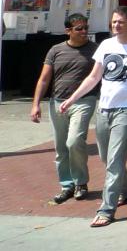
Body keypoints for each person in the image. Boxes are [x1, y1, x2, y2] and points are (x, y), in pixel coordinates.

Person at [59, 6, 127, 227]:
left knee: (115, 159)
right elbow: (93, 77)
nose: (115, 26)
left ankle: (106, 209)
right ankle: (126, 190)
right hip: (104, 109)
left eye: (119, 22)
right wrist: (72, 99)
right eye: (113, 22)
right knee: (105, 157)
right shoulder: (106, 45)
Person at [29, 13, 99, 203]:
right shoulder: (55, 50)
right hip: (57, 103)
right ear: (68, 31)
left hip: (84, 101)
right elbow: (44, 79)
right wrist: (36, 104)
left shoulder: (95, 50)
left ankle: (81, 182)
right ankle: (67, 185)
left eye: (86, 27)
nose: (84, 31)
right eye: (79, 28)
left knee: (74, 141)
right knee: (61, 147)